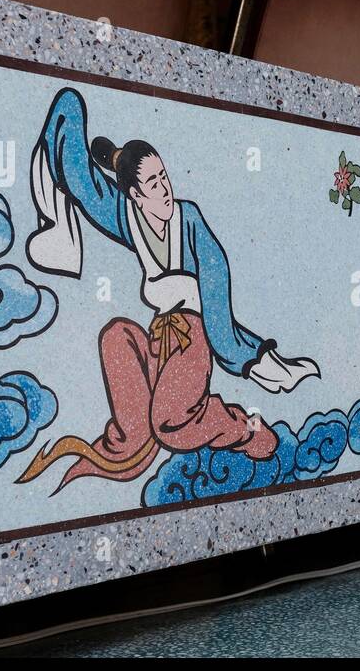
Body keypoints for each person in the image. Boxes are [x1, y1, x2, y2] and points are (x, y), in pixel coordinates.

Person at [17, 87, 318, 492]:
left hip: (193, 339)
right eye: (153, 184)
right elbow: (86, 185)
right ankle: (130, 440)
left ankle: (246, 429)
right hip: (159, 335)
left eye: (164, 177)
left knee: (171, 425)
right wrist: (67, 110)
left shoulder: (189, 221)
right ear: (136, 195)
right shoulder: (128, 219)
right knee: (115, 336)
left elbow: (216, 291)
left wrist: (249, 359)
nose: (165, 188)